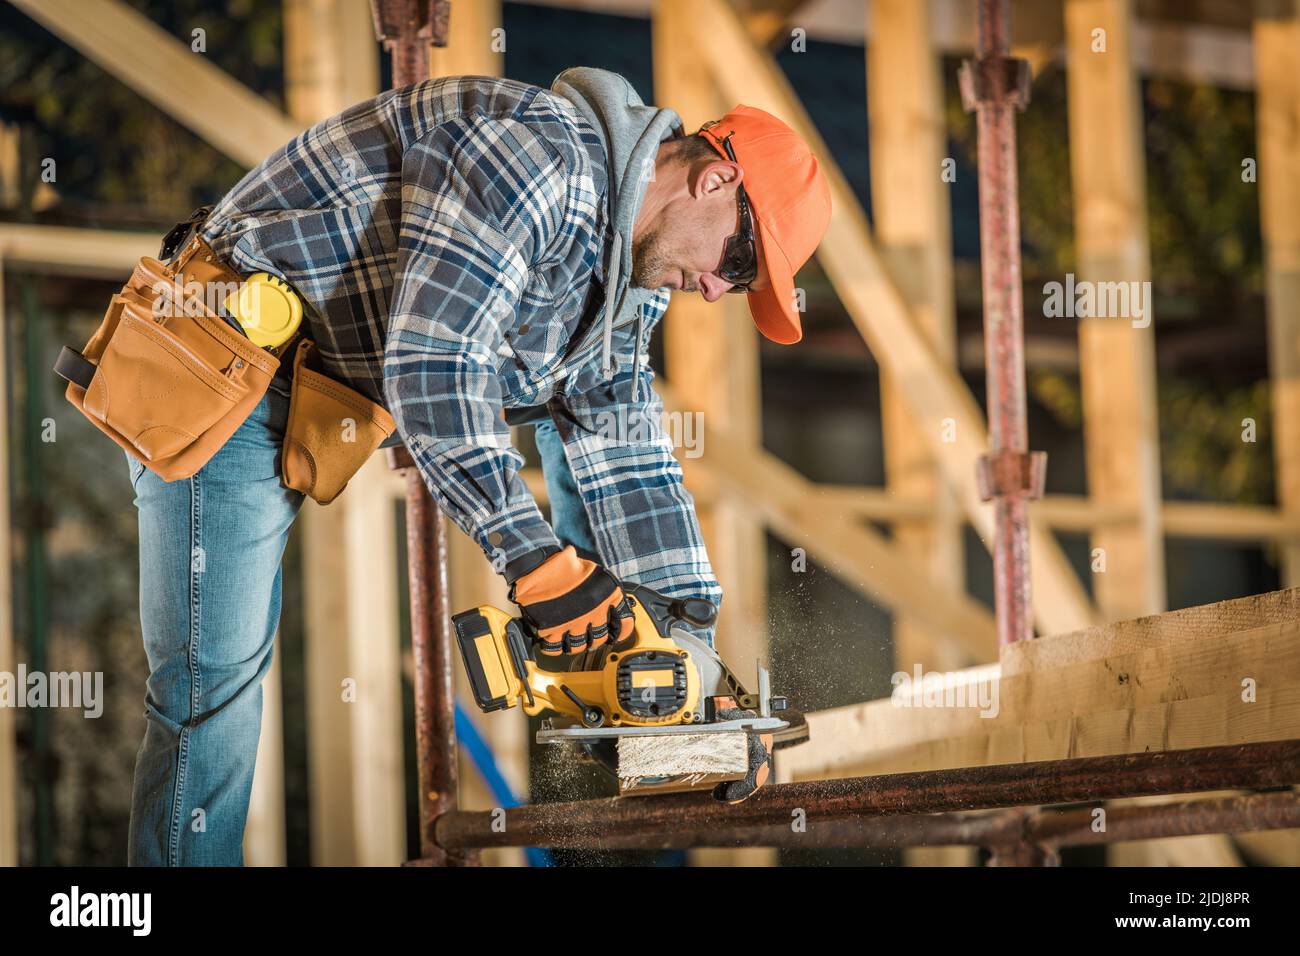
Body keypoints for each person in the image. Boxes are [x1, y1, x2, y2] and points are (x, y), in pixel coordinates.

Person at [123, 67, 831, 865]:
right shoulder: (535, 156)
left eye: (739, 286)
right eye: (739, 262)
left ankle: (636, 690)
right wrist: (537, 566)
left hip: (329, 386)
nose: (713, 288)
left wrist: (686, 645)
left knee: (590, 438)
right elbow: (435, 370)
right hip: (220, 365)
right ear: (714, 177)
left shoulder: (633, 279)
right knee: (212, 684)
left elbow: (622, 436)